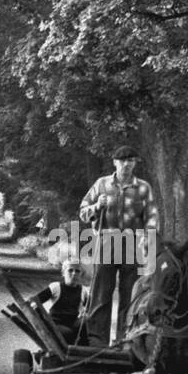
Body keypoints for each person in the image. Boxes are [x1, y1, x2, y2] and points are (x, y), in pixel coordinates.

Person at [78, 145, 160, 346]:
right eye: (122, 160)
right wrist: (97, 206)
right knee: (100, 295)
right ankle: (97, 342)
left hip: (133, 246)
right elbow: (82, 212)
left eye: (130, 161)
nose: (126, 164)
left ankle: (124, 341)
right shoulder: (101, 185)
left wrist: (147, 238)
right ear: (115, 162)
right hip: (106, 243)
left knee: (130, 296)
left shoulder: (143, 188)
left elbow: (152, 217)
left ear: (134, 164)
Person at [30, 257, 90, 345]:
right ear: (63, 273)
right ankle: (71, 350)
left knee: (87, 324)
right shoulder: (56, 287)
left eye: (77, 271)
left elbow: (91, 309)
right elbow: (35, 300)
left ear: (81, 274)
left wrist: (86, 314)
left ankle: (83, 351)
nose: (74, 274)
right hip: (55, 324)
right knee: (68, 333)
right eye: (70, 270)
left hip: (73, 323)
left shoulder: (83, 291)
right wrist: (35, 308)